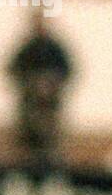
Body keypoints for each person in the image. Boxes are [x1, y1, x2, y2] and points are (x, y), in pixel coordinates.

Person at [6, 13, 73, 164]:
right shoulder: (27, 47)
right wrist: (32, 84)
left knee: (49, 143)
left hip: (49, 106)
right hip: (30, 105)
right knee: (25, 145)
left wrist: (51, 84)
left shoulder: (55, 48)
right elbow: (12, 69)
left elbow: (67, 71)